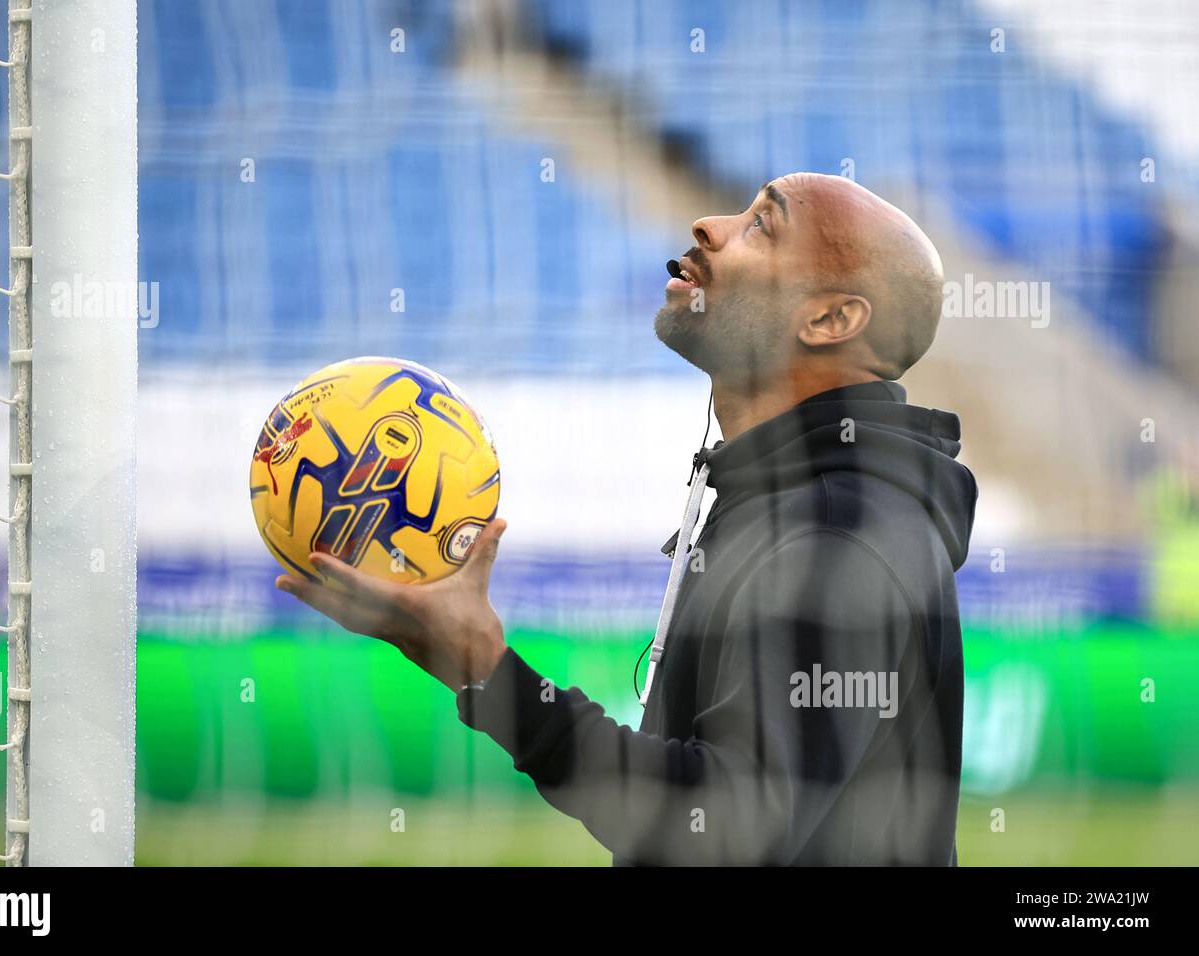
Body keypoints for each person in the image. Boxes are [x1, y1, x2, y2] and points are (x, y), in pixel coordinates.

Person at [277, 172, 978, 865]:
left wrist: (489, 673)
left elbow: (725, 827)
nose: (708, 225)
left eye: (762, 224)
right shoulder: (789, 498)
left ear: (829, 319)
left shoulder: (839, 534)